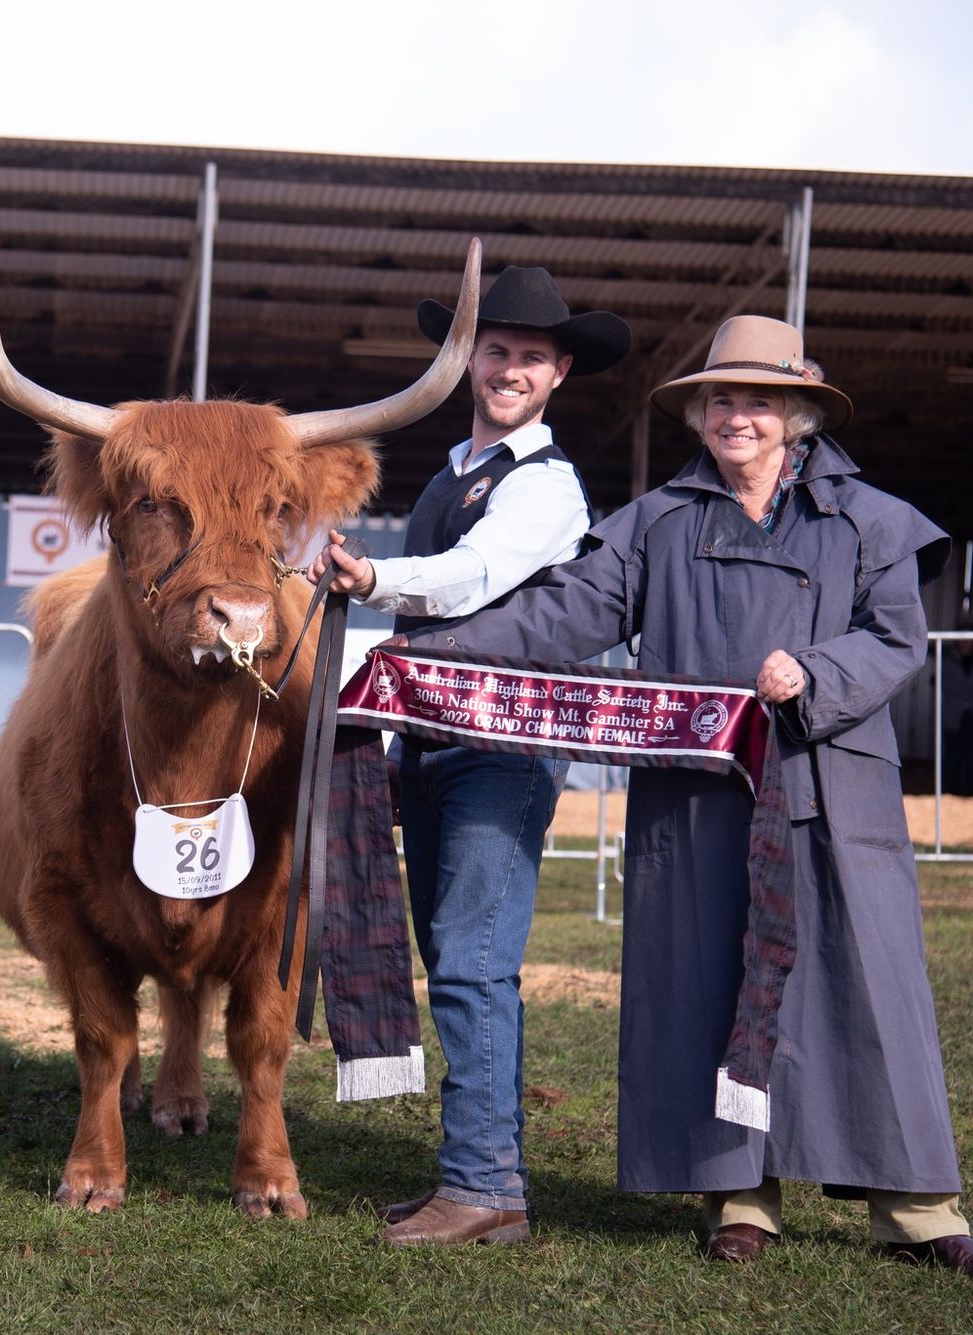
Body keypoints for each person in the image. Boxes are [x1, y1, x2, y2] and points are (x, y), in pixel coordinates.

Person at [397, 315, 973, 1276]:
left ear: (798, 413)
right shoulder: (656, 523)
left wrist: (815, 671)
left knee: (870, 993)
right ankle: (740, 1195)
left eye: (760, 400)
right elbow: (560, 613)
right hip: (697, 801)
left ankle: (921, 1210)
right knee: (707, 990)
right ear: (698, 413)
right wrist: (422, 656)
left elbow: (895, 639)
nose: (738, 416)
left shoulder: (872, 519)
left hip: (833, 793)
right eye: (721, 398)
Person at [309, 265, 631, 1246]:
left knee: (473, 964)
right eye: (493, 350)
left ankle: (487, 1187)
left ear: (558, 373)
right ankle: (472, 1180)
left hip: (499, 748)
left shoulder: (544, 483)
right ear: (464, 360)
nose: (508, 369)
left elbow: (468, 579)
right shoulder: (455, 472)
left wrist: (368, 574)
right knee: (453, 957)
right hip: (437, 746)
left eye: (529, 356)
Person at [937, 620, 973, 796]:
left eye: (970, 638)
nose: (966, 642)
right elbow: (941, 682)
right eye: (963, 638)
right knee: (953, 754)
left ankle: (972, 792)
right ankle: (950, 791)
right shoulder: (948, 659)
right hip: (953, 713)